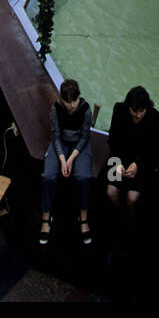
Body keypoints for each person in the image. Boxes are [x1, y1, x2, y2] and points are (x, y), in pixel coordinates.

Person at [39, 79, 93, 246]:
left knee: (83, 177)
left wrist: (70, 159)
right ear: (61, 99)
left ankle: (83, 218)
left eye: (74, 101)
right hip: (61, 142)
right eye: (68, 102)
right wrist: (62, 158)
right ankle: (46, 218)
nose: (72, 105)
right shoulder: (56, 109)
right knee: (48, 176)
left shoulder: (85, 110)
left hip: (79, 145)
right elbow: (55, 136)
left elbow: (85, 137)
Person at [106, 85, 159, 213]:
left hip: (144, 164)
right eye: (134, 111)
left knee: (132, 198)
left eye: (142, 111)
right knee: (111, 192)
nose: (138, 115)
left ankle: (131, 221)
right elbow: (113, 141)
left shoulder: (156, 119)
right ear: (128, 107)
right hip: (119, 158)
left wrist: (138, 166)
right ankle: (117, 215)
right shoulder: (119, 110)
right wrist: (118, 163)